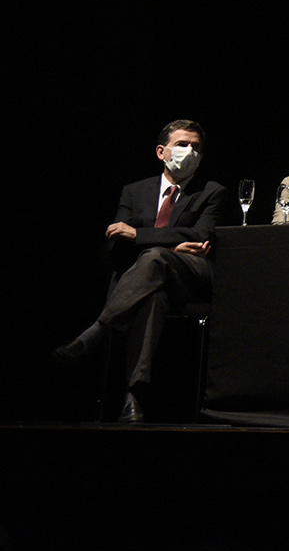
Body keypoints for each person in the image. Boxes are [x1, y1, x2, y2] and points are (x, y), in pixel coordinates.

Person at [54, 119, 230, 421]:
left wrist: (140, 236)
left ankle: (97, 330)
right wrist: (170, 246)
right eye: (182, 145)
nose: (190, 152)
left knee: (153, 258)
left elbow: (202, 235)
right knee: (152, 297)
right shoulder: (134, 191)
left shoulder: (211, 191)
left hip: (190, 276)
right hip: (147, 280)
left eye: (196, 147)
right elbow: (115, 242)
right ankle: (133, 397)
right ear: (161, 152)